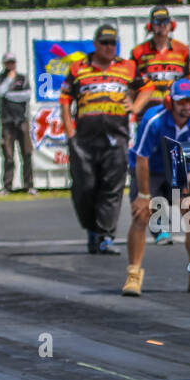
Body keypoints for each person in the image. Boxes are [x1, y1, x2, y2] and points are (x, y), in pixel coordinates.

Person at [124, 79, 190, 296]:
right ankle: (133, 274)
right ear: (169, 102)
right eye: (181, 102)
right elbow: (142, 158)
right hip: (150, 170)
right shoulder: (153, 120)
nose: (187, 106)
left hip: (177, 171)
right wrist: (144, 195)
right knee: (141, 215)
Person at [61, 23, 136, 254]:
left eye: (112, 43)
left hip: (117, 137)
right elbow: (65, 100)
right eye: (104, 43)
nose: (108, 47)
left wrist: (135, 105)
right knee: (84, 187)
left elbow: (147, 87)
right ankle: (92, 228)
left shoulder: (128, 67)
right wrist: (70, 132)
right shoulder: (78, 68)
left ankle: (106, 236)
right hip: (84, 139)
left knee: (111, 188)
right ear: (95, 45)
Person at [129, 6, 190, 117]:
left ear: (171, 24)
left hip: (175, 112)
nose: (162, 25)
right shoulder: (138, 52)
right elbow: (131, 86)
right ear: (151, 26)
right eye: (158, 22)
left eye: (165, 21)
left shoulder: (183, 50)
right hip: (147, 112)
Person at [0, 52, 36, 196]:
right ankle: (7, 186)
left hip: (22, 121)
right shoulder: (1, 78)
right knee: (8, 155)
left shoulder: (22, 78)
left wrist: (10, 96)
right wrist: (9, 80)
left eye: (12, 62)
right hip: (7, 122)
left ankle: (29, 186)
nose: (11, 65)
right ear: (4, 64)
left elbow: (26, 95)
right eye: (8, 62)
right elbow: (0, 92)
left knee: (26, 153)